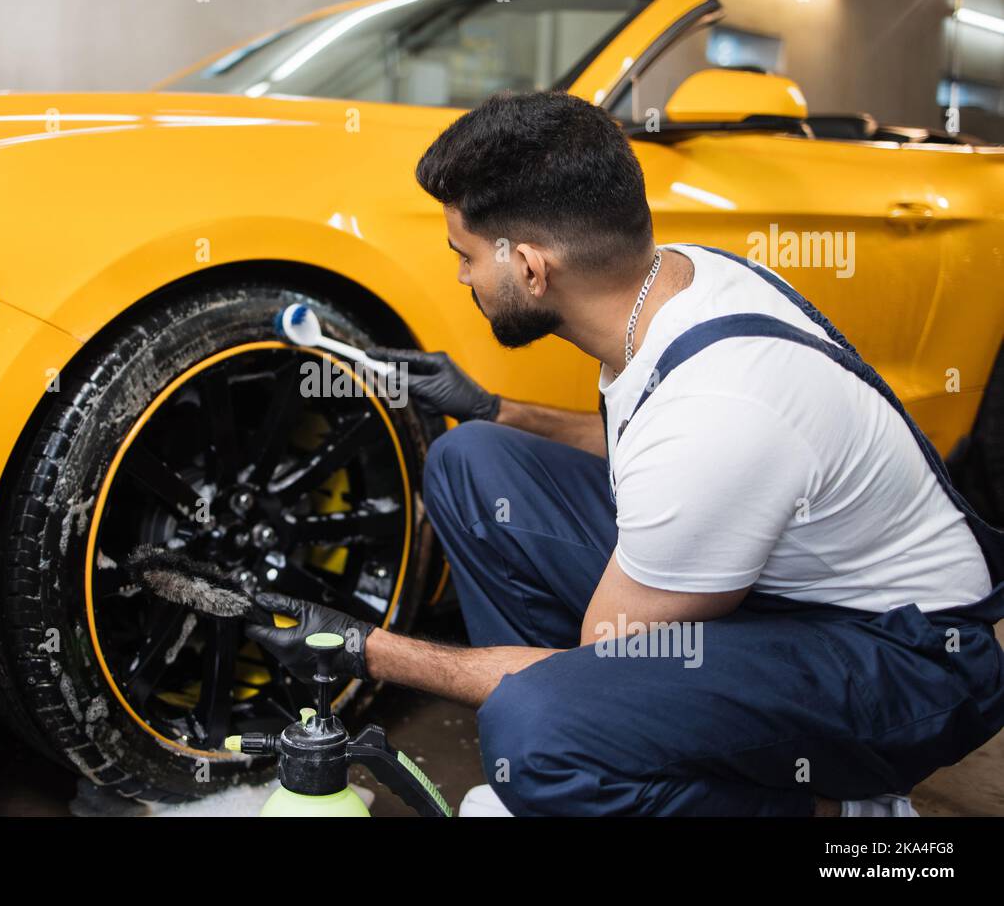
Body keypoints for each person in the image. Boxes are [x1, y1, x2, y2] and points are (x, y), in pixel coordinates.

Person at [245, 91, 1004, 816]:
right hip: (791, 591)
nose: (460, 276)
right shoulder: (672, 282)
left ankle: (837, 810)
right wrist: (494, 409)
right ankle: (603, 750)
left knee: (536, 735)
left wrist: (365, 649)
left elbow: (606, 641)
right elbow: (642, 449)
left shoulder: (719, 412)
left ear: (533, 268)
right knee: (473, 460)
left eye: (466, 256)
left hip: (907, 663)